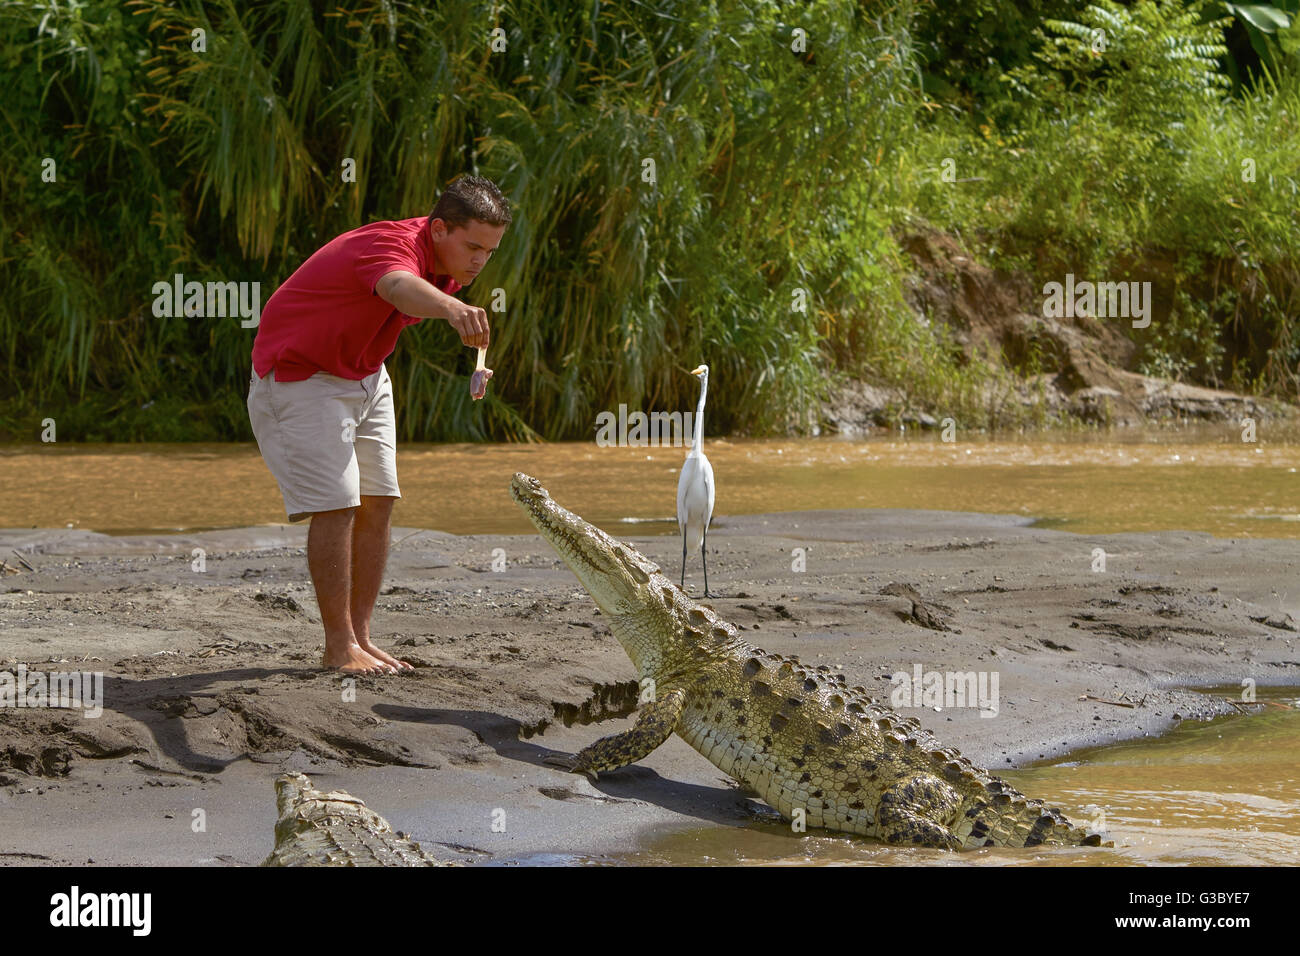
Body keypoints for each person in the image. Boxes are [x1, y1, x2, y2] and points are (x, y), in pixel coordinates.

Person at [247, 174, 511, 674]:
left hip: (367, 376)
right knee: (337, 507)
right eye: (473, 246)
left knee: (379, 500)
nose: (479, 260)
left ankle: (360, 637)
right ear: (437, 229)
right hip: (302, 379)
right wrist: (455, 310)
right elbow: (396, 287)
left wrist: (478, 365)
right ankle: (337, 646)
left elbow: (417, 301)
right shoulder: (389, 244)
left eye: (490, 251)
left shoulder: (447, 265)